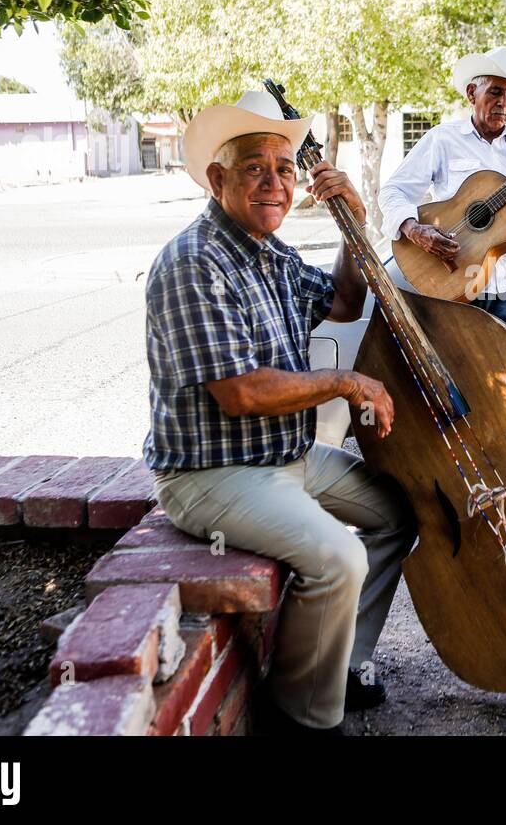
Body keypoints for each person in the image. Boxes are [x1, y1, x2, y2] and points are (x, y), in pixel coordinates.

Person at [143, 91, 416, 732]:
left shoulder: (271, 252)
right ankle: (302, 716)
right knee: (337, 558)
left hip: (283, 455)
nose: (275, 182)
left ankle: (345, 663)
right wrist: (346, 382)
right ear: (217, 179)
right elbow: (239, 392)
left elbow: (347, 302)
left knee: (400, 511)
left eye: (285, 168)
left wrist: (354, 219)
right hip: (213, 474)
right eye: (254, 168)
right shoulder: (194, 261)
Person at [378, 47, 506, 339]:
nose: (504, 103)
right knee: (456, 382)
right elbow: (393, 191)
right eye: (495, 92)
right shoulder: (442, 140)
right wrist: (414, 229)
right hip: (456, 284)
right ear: (472, 93)